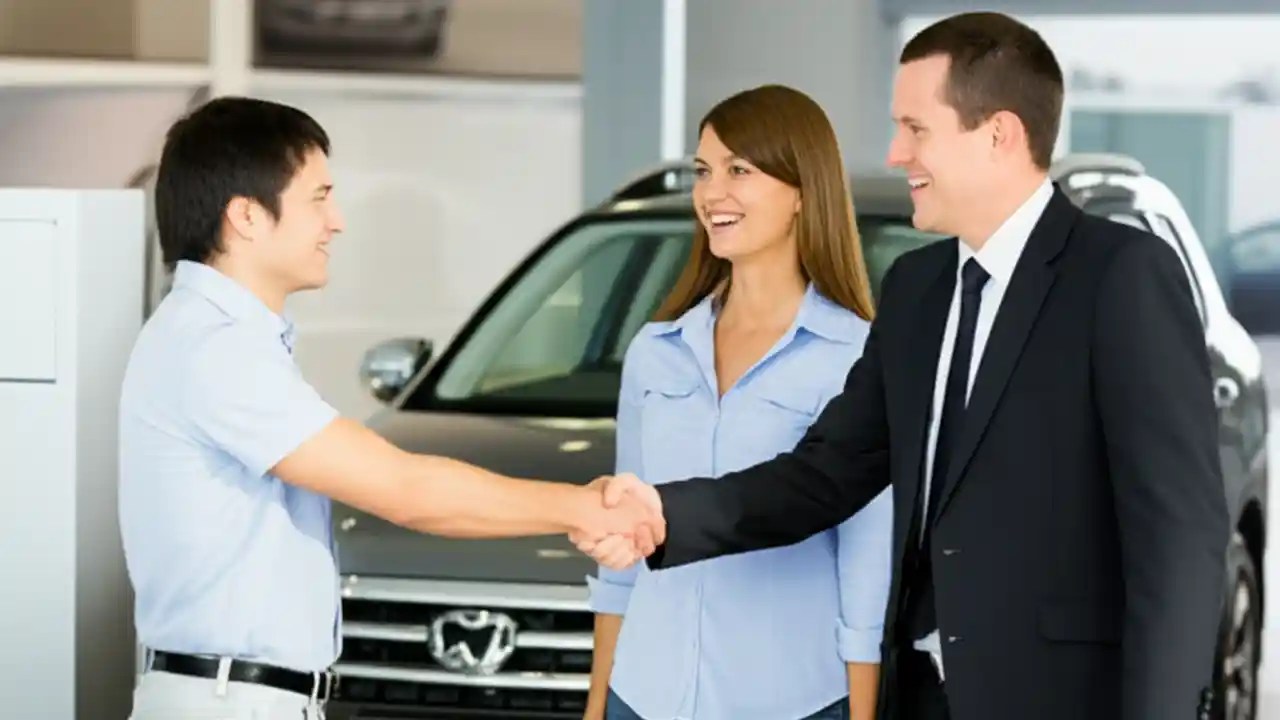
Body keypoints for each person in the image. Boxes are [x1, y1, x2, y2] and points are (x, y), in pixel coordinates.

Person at [578, 12, 1228, 720]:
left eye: (916, 129)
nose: (895, 153)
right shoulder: (917, 290)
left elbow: (1179, 542)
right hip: (919, 697)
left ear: (998, 134)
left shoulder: (1120, 275)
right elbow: (824, 474)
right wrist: (667, 512)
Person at [117, 96, 658, 720]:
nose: (336, 221)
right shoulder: (215, 350)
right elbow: (406, 489)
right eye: (318, 198)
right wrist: (582, 506)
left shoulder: (217, 339)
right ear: (245, 216)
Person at [582, 85, 892, 720]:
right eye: (704, 171)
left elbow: (867, 574)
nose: (711, 192)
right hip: (644, 696)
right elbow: (622, 562)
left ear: (803, 191)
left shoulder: (857, 356)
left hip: (793, 701)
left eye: (739, 170)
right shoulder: (655, 351)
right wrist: (598, 705)